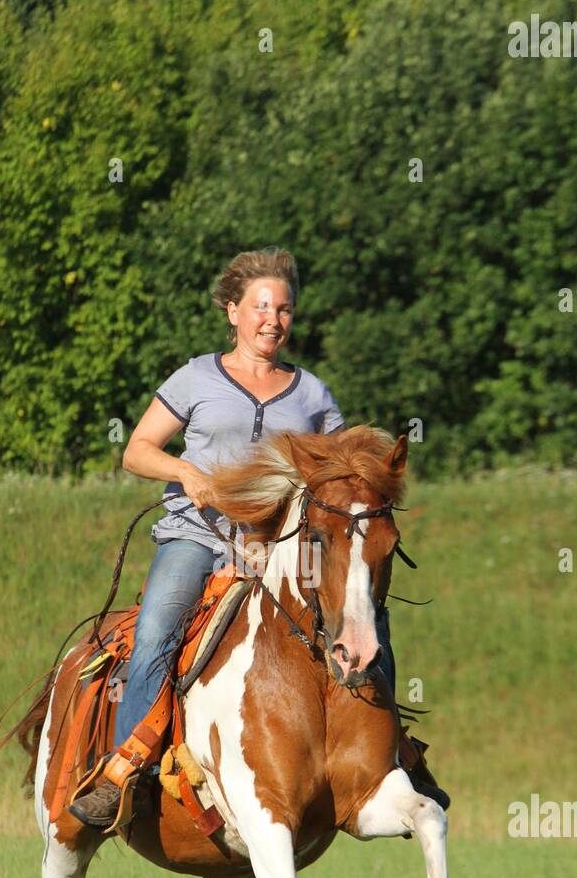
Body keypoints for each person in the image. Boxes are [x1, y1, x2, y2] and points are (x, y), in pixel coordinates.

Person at [69, 246, 407, 830]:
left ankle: (394, 758)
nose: (274, 320)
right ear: (233, 311)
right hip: (196, 537)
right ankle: (126, 771)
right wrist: (186, 472)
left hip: (280, 550)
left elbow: (346, 468)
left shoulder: (312, 395)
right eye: (261, 307)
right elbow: (136, 450)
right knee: (157, 627)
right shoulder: (196, 377)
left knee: (367, 614)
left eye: (285, 309)